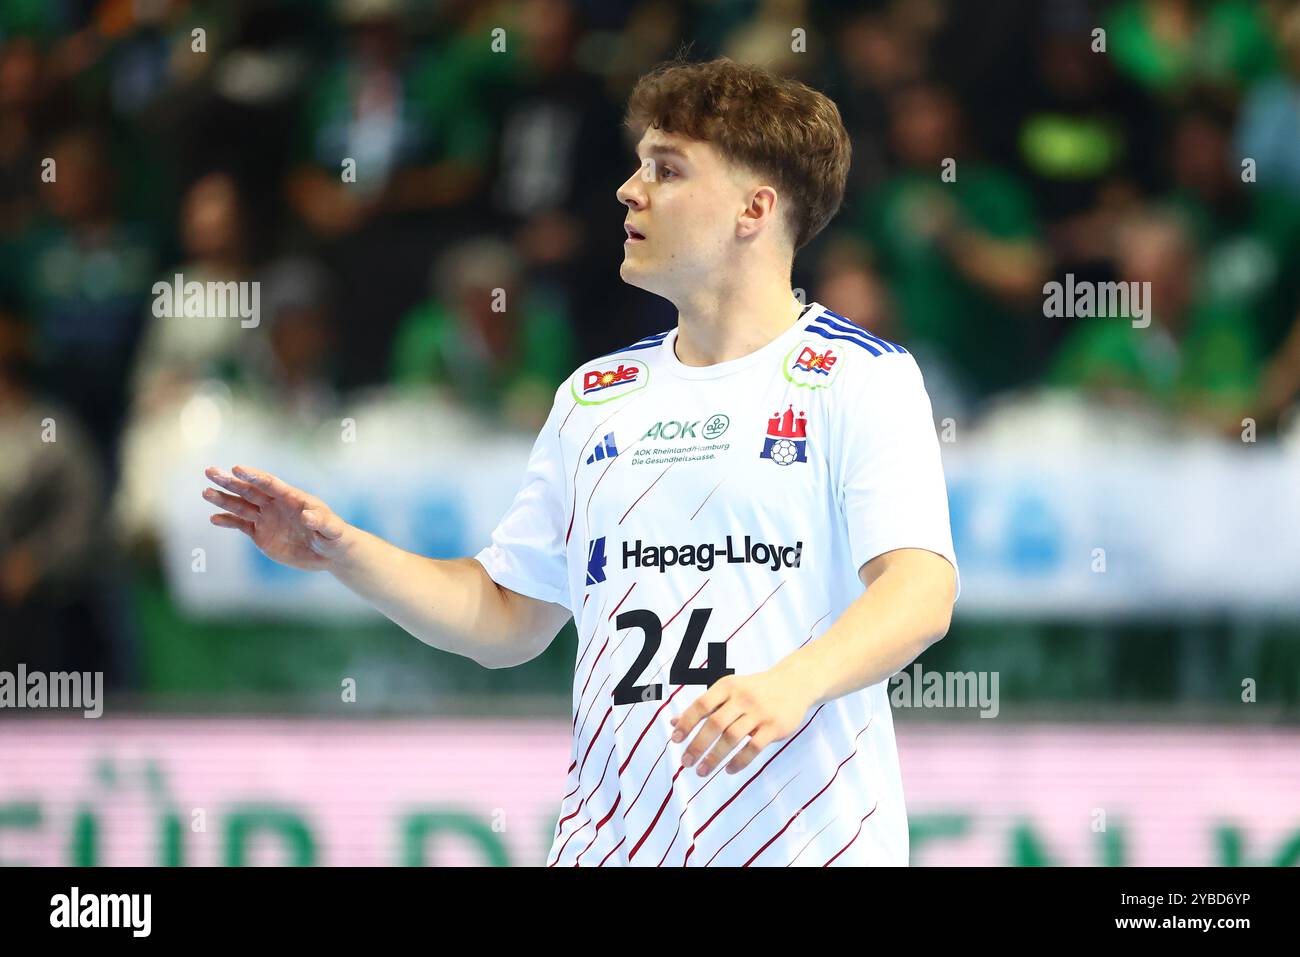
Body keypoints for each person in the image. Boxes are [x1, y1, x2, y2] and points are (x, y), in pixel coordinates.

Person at [202, 56, 959, 867]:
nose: (629, 191)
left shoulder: (858, 377)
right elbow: (505, 618)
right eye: (638, 166)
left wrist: (793, 682)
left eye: (666, 170)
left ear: (754, 208)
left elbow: (920, 593)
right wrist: (337, 548)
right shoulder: (596, 396)